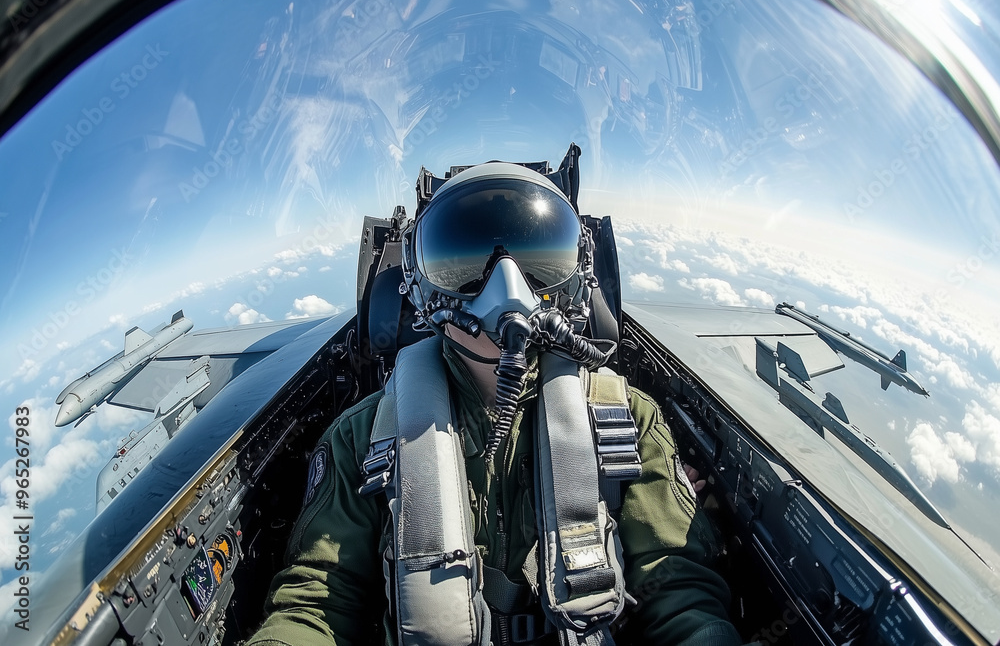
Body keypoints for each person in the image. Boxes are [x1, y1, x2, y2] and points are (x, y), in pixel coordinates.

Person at [248, 159, 743, 645]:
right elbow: (319, 603)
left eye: (534, 260)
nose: (507, 288)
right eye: (465, 263)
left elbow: (675, 587)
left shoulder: (626, 417)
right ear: (419, 287)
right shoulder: (362, 436)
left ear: (577, 278)